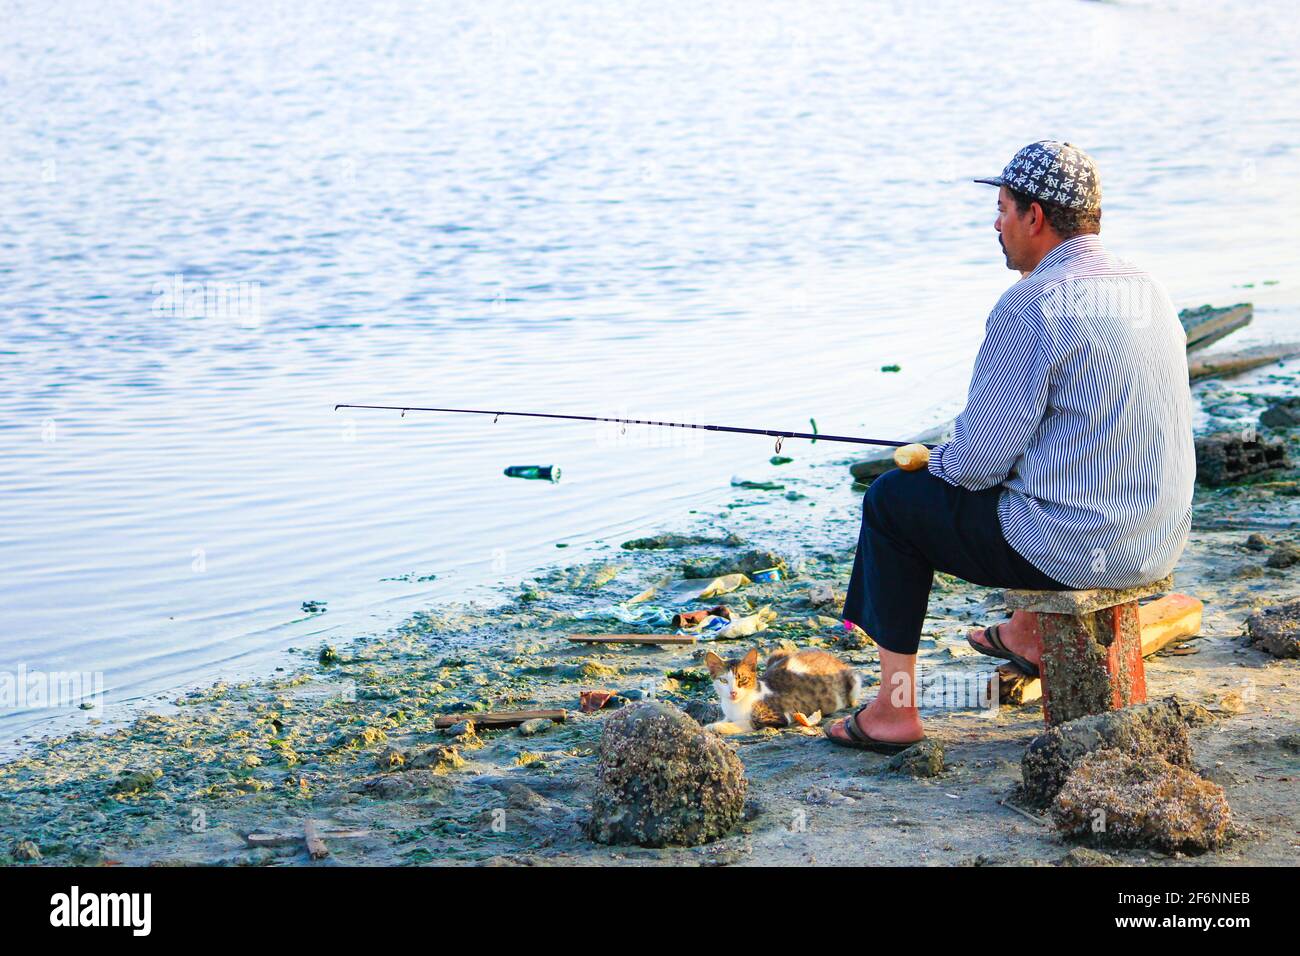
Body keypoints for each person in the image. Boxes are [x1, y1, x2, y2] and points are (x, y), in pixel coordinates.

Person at [825, 141, 1195, 752]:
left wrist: (935, 456)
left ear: (1035, 216)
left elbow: (980, 463)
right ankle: (1026, 632)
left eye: (1001, 209)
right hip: (1159, 537)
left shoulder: (1032, 304)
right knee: (1049, 455)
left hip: (1084, 550)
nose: (995, 225)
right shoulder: (1147, 288)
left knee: (892, 501)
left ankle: (894, 712)